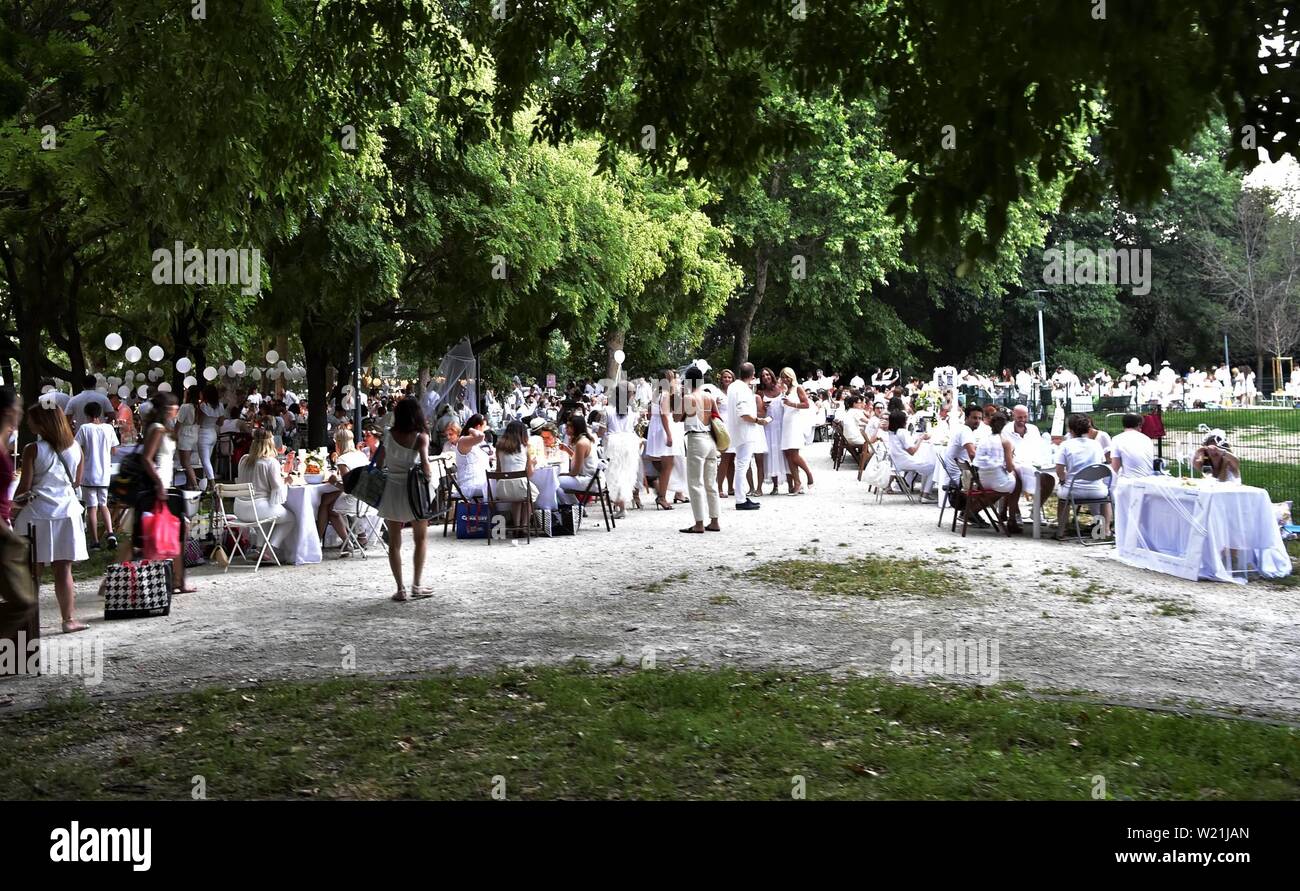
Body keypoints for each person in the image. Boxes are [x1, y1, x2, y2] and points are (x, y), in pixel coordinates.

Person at [13, 403, 89, 632]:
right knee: (63, 570)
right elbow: (76, 482)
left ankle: (27, 625)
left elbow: (24, 489)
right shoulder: (76, 448)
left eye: (31, 419)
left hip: (36, 516)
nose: (28, 423)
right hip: (66, 513)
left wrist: (12, 503)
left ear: (42, 423)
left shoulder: (32, 450)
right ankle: (68, 620)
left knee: (32, 572)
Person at [372, 399, 434, 602]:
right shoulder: (420, 437)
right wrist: (429, 479)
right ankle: (416, 585)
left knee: (395, 543)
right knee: (420, 539)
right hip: (414, 490)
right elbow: (425, 466)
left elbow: (379, 464)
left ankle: (400, 588)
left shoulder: (388, 436)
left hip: (392, 489)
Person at [134, 392, 195, 594]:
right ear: (167, 409)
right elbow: (147, 458)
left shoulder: (160, 428)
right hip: (159, 485)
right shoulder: (158, 429)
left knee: (176, 531)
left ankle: (179, 579)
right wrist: (159, 484)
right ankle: (178, 580)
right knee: (173, 531)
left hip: (164, 484)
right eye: (174, 407)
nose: (177, 410)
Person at [234, 427, 294, 561]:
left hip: (239, 508)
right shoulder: (270, 462)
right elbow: (277, 489)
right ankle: (270, 548)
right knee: (290, 519)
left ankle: (260, 549)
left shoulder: (244, 460)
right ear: (270, 443)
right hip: (258, 508)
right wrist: (287, 482)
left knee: (267, 514)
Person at [1054, 413, 1111, 540]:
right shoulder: (1096, 444)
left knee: (1062, 500)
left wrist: (1063, 479)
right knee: (1105, 499)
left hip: (1073, 491)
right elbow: (1100, 466)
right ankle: (1105, 530)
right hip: (1096, 490)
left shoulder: (1066, 445)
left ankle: (1061, 530)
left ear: (1070, 429)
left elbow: (1059, 470)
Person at [317, 428, 372, 554]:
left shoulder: (342, 460)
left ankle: (345, 542)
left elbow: (348, 488)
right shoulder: (361, 454)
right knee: (325, 499)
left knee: (330, 508)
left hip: (356, 499)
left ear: (338, 443)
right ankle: (320, 539)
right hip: (367, 496)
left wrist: (334, 482)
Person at [680, 365, 721, 533]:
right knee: (711, 483)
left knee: (695, 482)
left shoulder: (688, 397)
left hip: (696, 438)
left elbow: (677, 417)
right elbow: (717, 417)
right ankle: (715, 520)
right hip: (710, 438)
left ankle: (698, 523)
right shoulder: (709, 397)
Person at [726, 363, 771, 511]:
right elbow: (744, 413)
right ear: (753, 375)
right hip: (745, 431)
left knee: (741, 464)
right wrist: (759, 420)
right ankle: (740, 499)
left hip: (736, 430)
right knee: (742, 465)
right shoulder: (743, 390)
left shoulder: (733, 387)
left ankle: (742, 496)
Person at [74, 400, 118, 551]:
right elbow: (114, 450)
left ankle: (95, 541)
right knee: (104, 505)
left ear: (87, 414)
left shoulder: (84, 428)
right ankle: (111, 533)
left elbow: (76, 448)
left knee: (92, 508)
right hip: (105, 473)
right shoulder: (108, 428)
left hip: (89, 473)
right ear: (100, 414)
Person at [973, 413, 1023, 533]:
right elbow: (1009, 468)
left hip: (983, 480)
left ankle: (1004, 513)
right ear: (1005, 426)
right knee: (1017, 479)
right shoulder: (1005, 442)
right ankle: (1012, 519)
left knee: (1010, 480)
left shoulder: (984, 440)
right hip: (998, 482)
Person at [645, 369, 684, 510]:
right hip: (664, 429)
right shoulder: (666, 394)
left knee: (666, 465)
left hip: (657, 428)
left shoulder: (657, 394)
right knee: (668, 465)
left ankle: (661, 489)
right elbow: (664, 415)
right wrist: (669, 434)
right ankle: (661, 496)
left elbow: (653, 413)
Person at [491, 420, 540, 531]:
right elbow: (529, 473)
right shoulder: (526, 447)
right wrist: (532, 463)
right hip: (520, 485)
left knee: (517, 497)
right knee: (529, 495)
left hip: (502, 489)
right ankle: (524, 526)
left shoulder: (499, 447)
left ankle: (517, 526)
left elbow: (498, 470)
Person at [885, 410, 937, 500]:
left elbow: (907, 446)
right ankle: (925, 494)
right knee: (934, 467)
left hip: (897, 461)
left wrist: (918, 440)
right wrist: (921, 438)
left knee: (928, 465)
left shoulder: (892, 432)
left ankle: (923, 492)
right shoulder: (902, 432)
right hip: (905, 461)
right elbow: (912, 451)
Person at [755, 368, 786, 495]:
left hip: (782, 424)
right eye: (763, 376)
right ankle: (774, 485)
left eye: (767, 374)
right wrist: (763, 406)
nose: (766, 377)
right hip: (768, 426)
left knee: (783, 453)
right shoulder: (761, 392)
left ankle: (793, 482)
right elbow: (759, 411)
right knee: (771, 455)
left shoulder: (781, 388)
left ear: (771, 375)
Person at [455, 413, 490, 500]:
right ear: (478, 427)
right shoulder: (463, 440)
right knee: (499, 489)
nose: (484, 431)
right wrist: (471, 429)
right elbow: (481, 436)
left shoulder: (474, 443)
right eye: (483, 428)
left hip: (479, 482)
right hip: (470, 485)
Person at [1110, 413, 1154, 479]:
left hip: (1130, 481)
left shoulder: (1117, 439)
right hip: (1149, 478)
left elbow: (1115, 467)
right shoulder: (1147, 439)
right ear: (1139, 424)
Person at [196, 385, 223, 489]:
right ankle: (207, 483)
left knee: (205, 461)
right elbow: (221, 422)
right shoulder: (219, 405)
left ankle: (212, 483)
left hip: (203, 433)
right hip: (213, 433)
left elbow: (199, 421)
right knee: (208, 460)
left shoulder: (203, 406)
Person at [176, 384, 200, 489]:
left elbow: (178, 423)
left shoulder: (185, 407)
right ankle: (189, 484)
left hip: (185, 435)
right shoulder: (198, 407)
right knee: (187, 462)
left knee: (185, 462)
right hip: (194, 434)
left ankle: (195, 485)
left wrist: (174, 435)